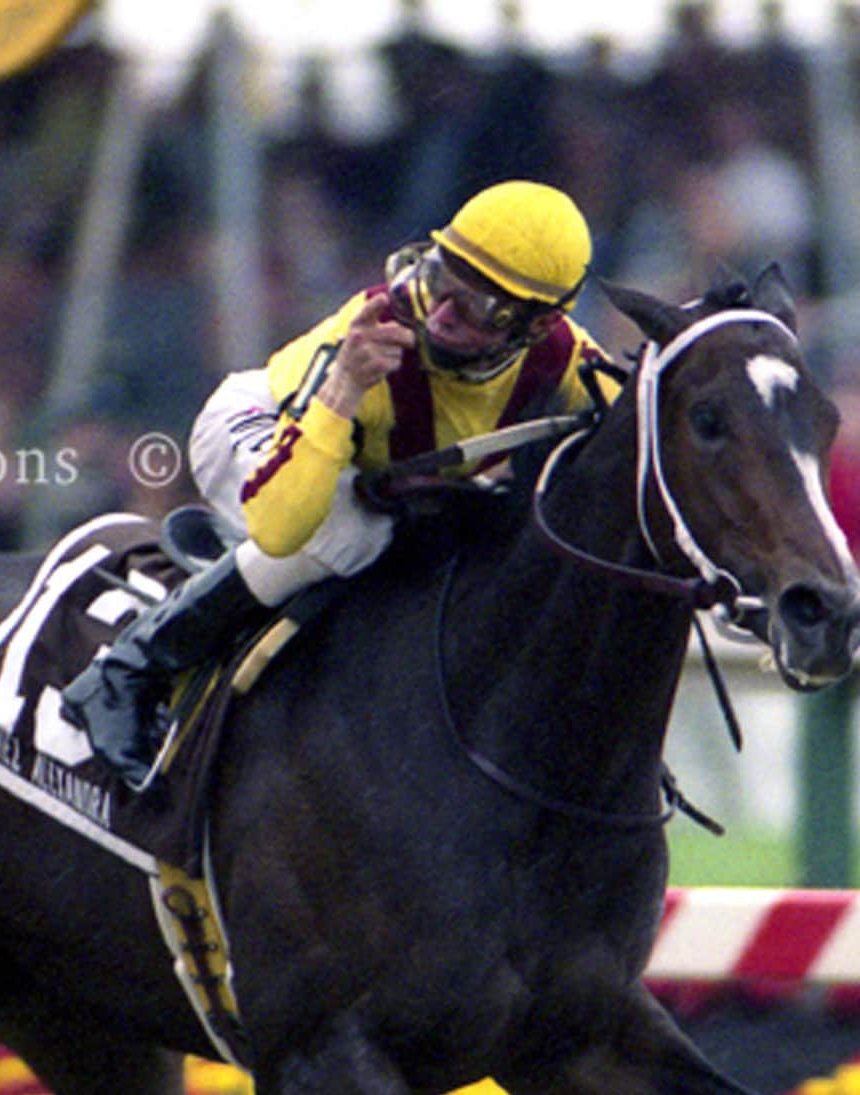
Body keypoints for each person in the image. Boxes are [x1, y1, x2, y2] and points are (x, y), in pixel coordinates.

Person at [63, 179, 620, 787]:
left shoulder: (570, 361)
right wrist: (344, 388)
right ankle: (129, 668)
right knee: (351, 533)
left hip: (359, 477)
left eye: (475, 307)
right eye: (440, 278)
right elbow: (281, 526)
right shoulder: (366, 337)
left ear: (534, 328)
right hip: (263, 435)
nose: (438, 313)